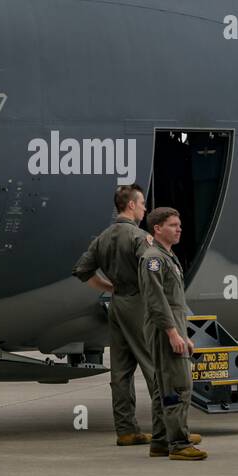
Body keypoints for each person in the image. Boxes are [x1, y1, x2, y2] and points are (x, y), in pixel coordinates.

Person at [73, 184, 175, 448]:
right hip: (139, 303)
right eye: (142, 204)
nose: (144, 209)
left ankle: (126, 430)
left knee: (120, 371)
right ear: (131, 205)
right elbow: (151, 267)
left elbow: (82, 270)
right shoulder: (140, 237)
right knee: (155, 365)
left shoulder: (104, 237)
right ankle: (167, 431)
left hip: (116, 304)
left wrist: (108, 287)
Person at [139, 207, 207, 460]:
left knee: (163, 386)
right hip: (162, 329)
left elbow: (173, 301)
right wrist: (172, 334)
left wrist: (182, 332)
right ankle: (178, 443)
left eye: (179, 225)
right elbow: (156, 300)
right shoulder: (153, 259)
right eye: (173, 225)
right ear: (157, 229)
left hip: (171, 325)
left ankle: (160, 440)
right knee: (178, 385)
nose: (179, 229)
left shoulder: (167, 256)